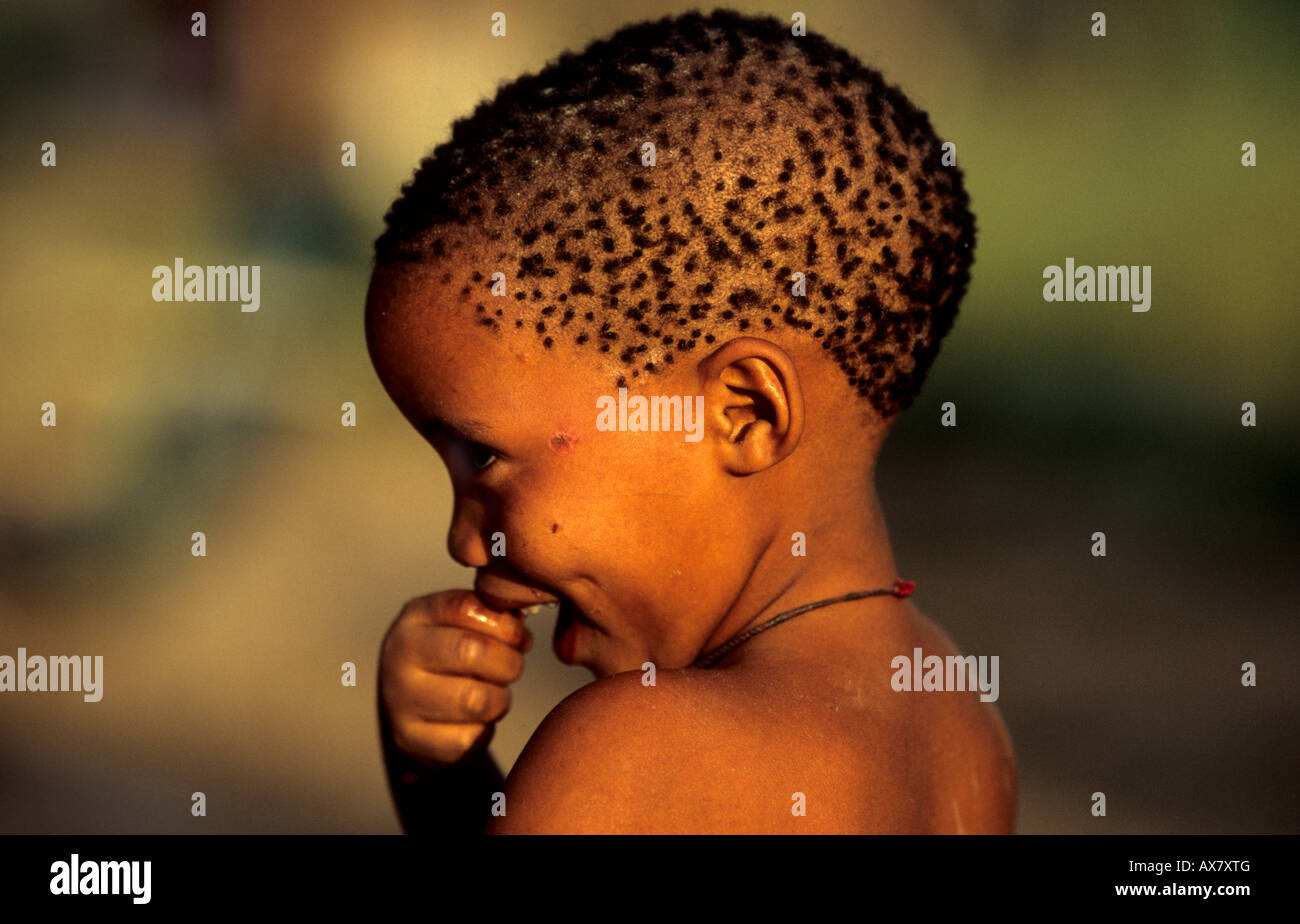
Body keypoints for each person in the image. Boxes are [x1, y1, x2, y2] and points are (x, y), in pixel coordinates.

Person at [365, 9, 1015, 833]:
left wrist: (432, 780)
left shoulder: (634, 755)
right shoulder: (959, 718)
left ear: (743, 414)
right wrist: (443, 770)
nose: (464, 541)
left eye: (484, 459)